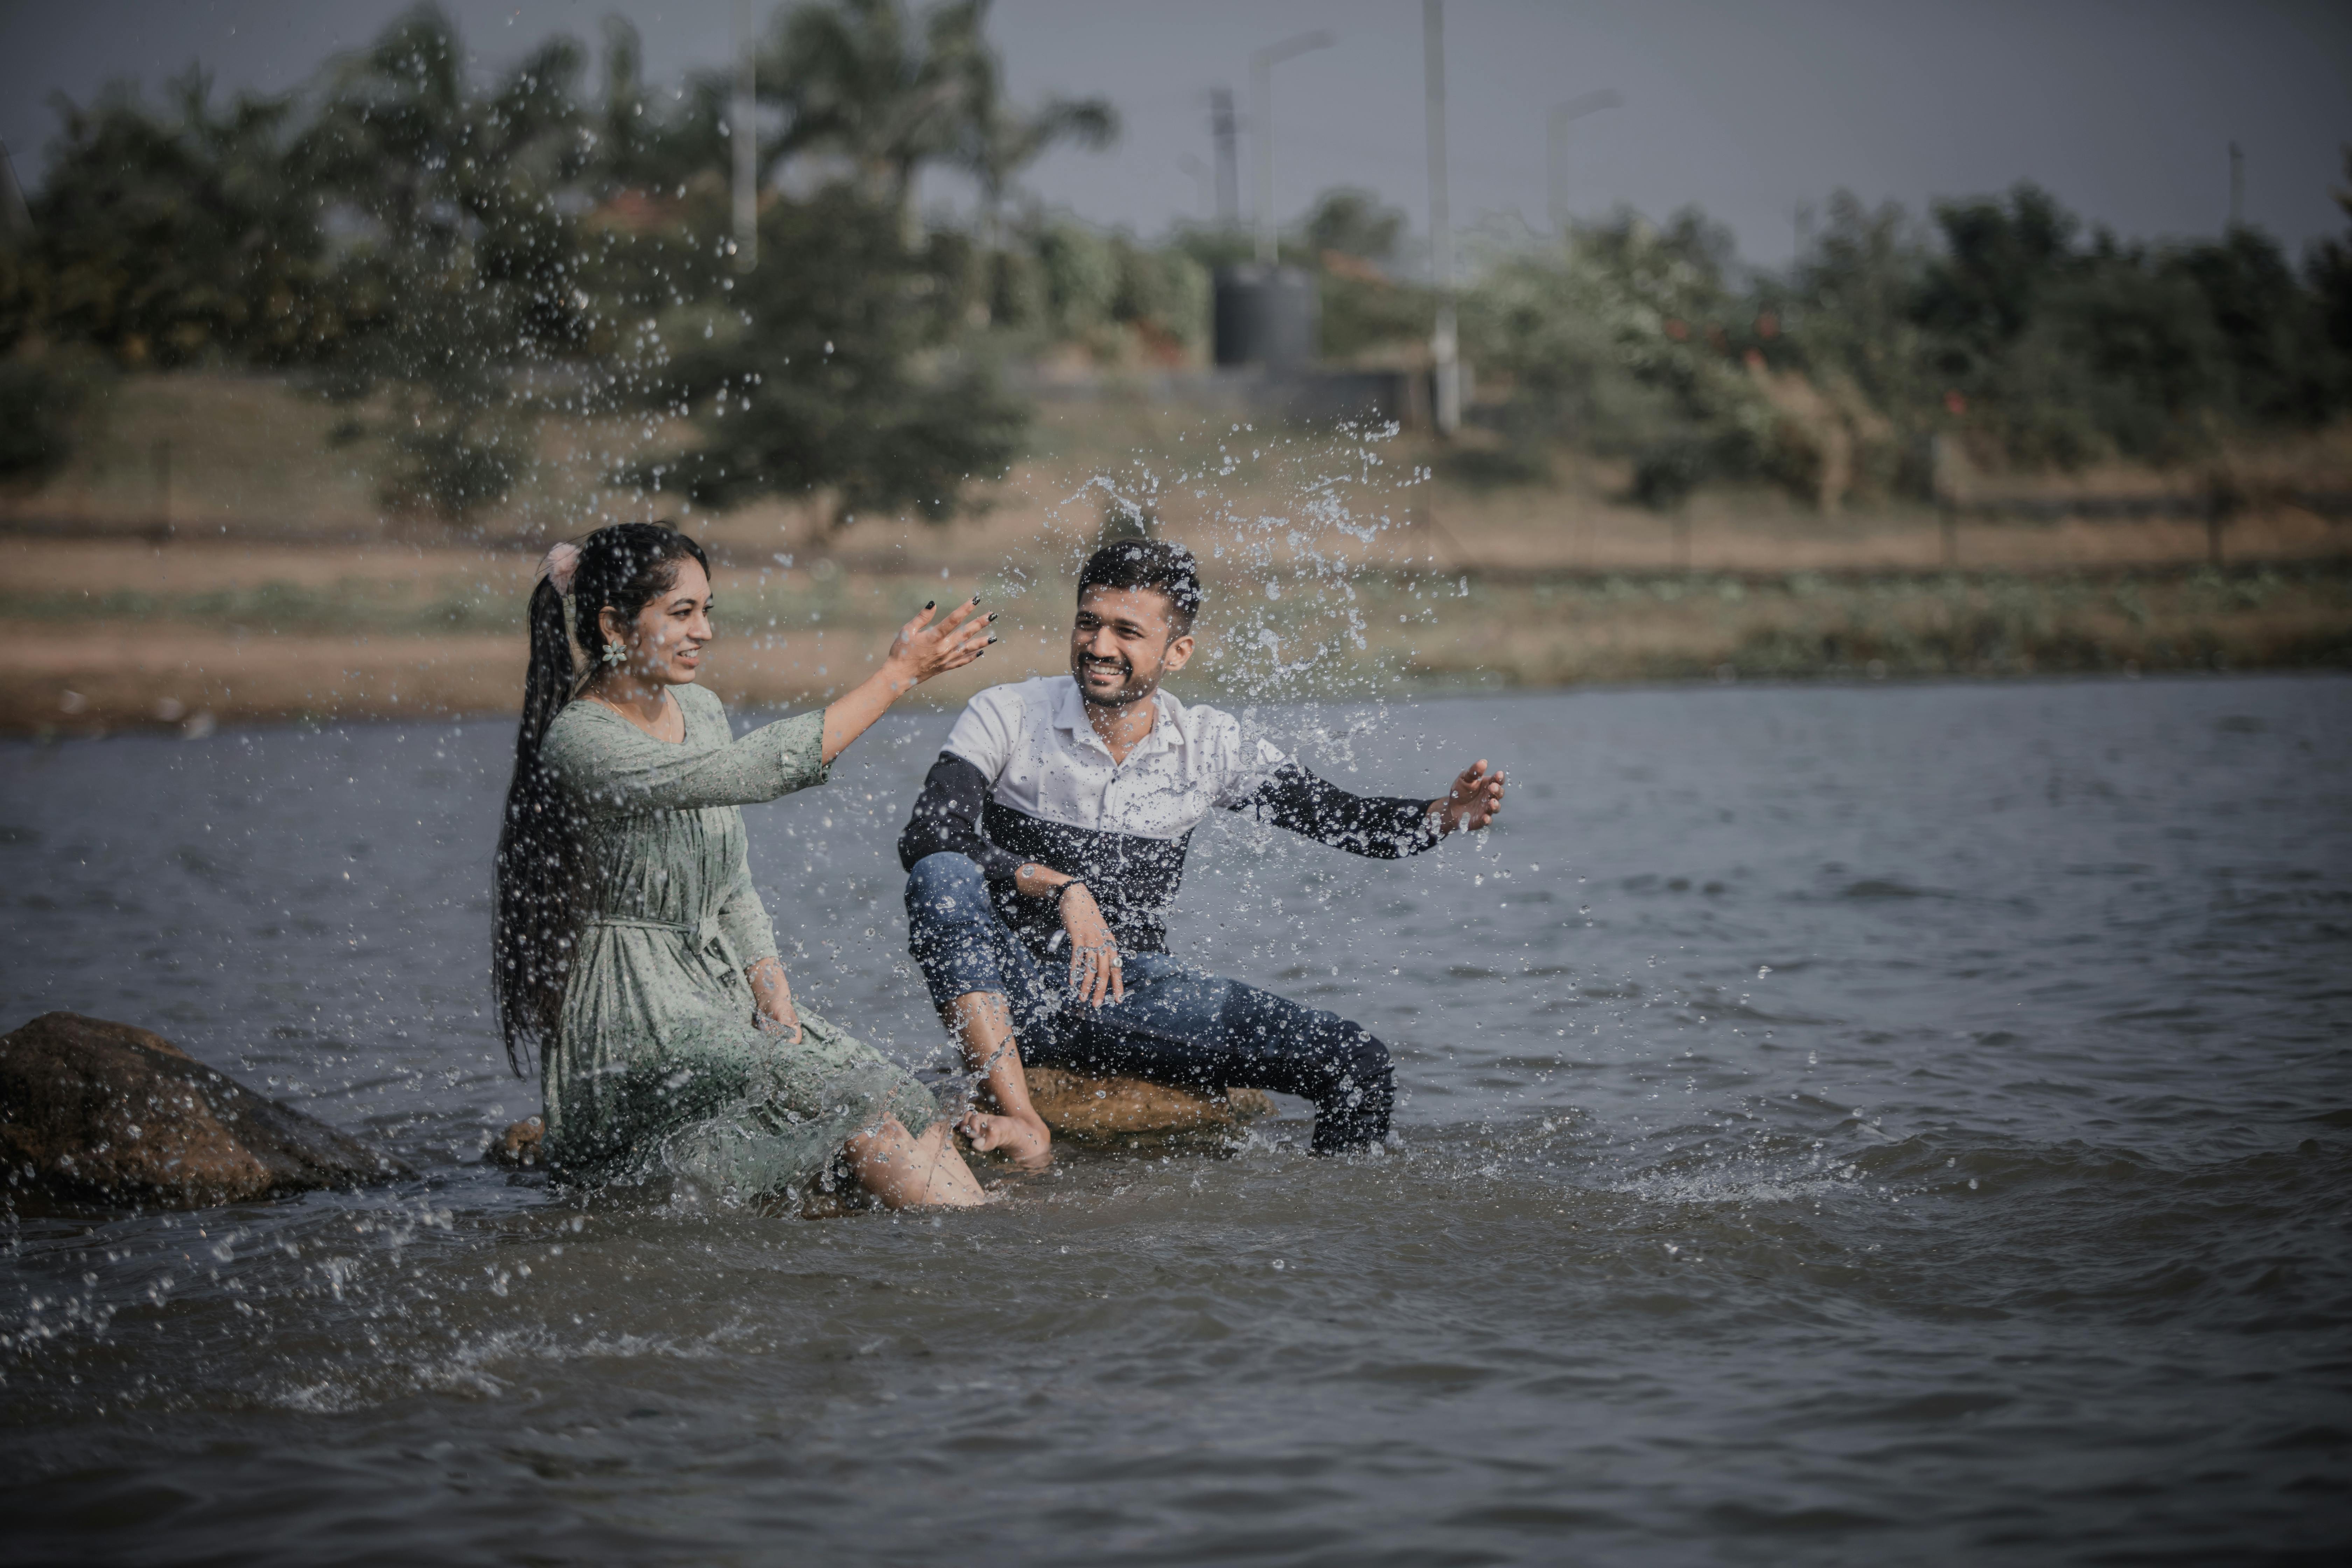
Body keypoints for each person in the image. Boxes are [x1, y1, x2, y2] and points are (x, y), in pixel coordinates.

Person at [897, 539, 1505, 1164]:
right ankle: (1022, 1117)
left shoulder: (1208, 745)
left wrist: (1442, 816)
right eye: (1089, 623)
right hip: (1013, 995)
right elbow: (929, 838)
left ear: (1177, 651)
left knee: (1357, 1063)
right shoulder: (1008, 714)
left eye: (1127, 632)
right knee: (940, 875)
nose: (1100, 647)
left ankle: (1333, 1231)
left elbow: (1343, 819)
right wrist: (1060, 886)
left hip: (1134, 1001)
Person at [492, 521, 998, 1209]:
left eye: (707, 610)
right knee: (842, 1101)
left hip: (714, 988)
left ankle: (987, 1235)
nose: (704, 631)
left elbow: (730, 875)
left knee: (899, 1095)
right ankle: (977, 1249)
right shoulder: (581, 739)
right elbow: (748, 772)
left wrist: (771, 985)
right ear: (613, 623)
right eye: (681, 612)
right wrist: (897, 675)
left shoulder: (700, 707)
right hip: (631, 1012)